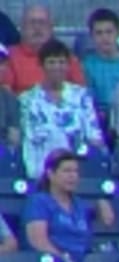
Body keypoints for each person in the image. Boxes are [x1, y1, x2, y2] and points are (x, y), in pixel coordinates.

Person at [18, 38, 106, 179]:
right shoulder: (27, 99)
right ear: (41, 65)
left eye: (61, 62)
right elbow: (30, 138)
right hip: (42, 166)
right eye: (51, 62)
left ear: (68, 65)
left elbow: (94, 135)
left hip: (79, 165)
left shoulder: (81, 95)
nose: (57, 67)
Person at [22, 148, 115, 262]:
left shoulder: (79, 204)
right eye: (67, 171)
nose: (73, 176)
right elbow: (38, 241)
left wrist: (102, 203)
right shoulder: (39, 202)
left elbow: (107, 221)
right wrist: (62, 260)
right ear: (50, 174)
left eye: (76, 171)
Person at [1, 5, 86, 93]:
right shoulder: (8, 56)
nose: (37, 27)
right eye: (32, 22)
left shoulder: (66, 55)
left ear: (51, 28)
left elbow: (80, 91)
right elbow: (6, 97)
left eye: (42, 22)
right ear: (22, 28)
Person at [81, 8, 119, 115]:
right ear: (92, 36)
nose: (105, 37)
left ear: (118, 33)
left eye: (109, 32)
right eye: (99, 33)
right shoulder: (86, 66)